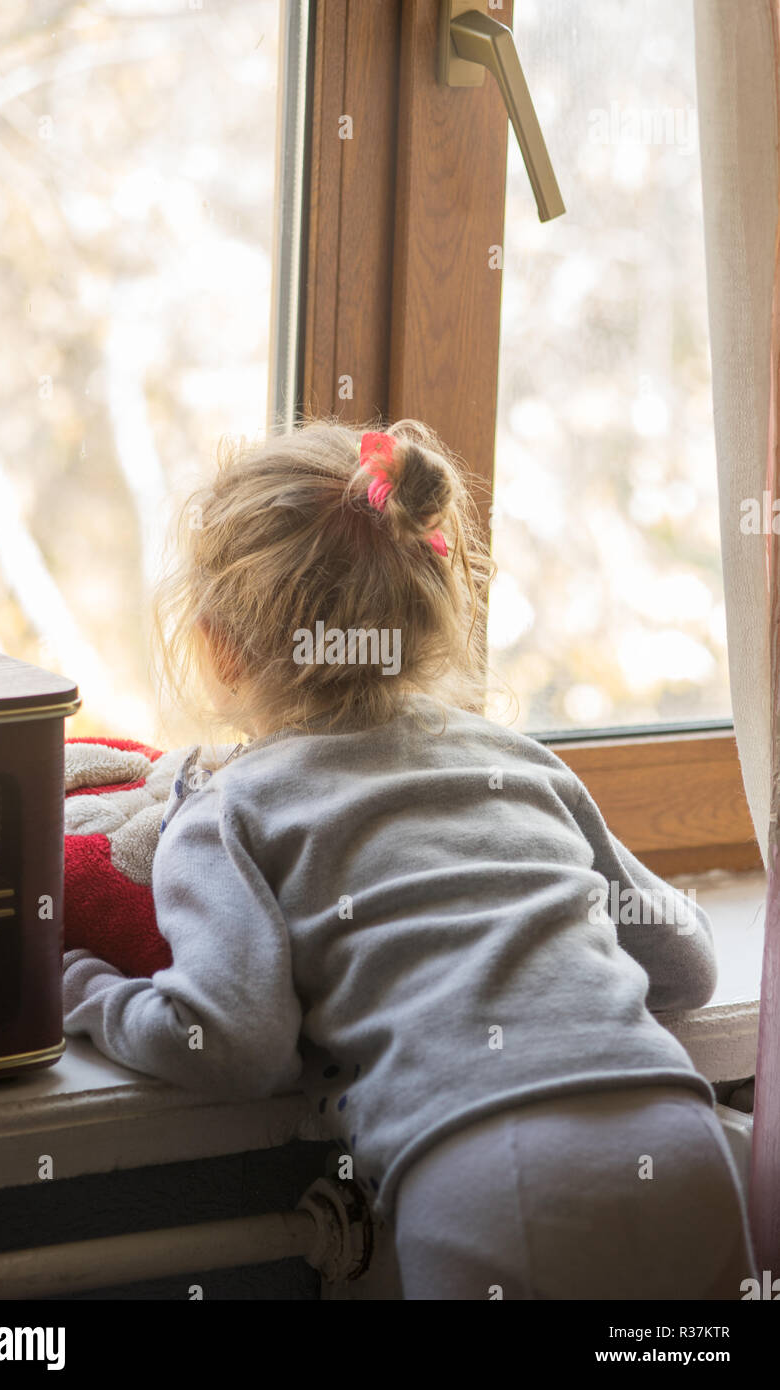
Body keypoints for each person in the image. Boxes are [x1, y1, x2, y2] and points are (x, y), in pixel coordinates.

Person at [63, 417, 757, 1299]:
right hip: (684, 1146)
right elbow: (686, 961)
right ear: (434, 600)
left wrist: (84, 991)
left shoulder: (229, 806)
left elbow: (235, 1047)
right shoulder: (518, 761)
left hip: (487, 1179)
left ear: (217, 646)